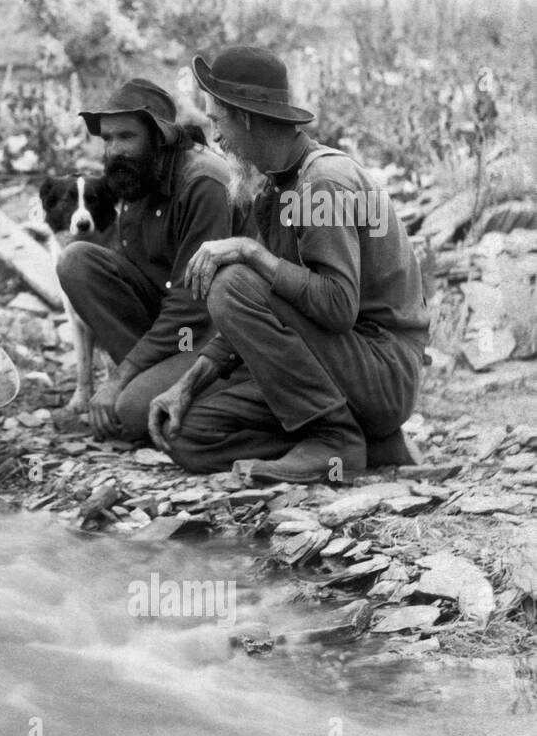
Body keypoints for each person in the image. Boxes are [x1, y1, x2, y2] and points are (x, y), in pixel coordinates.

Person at [148, 46, 430, 483]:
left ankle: (334, 439)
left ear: (244, 117)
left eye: (217, 121)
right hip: (339, 370)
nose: (215, 137)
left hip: (381, 370)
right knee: (189, 436)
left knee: (231, 283)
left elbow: (337, 308)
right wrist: (186, 387)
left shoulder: (322, 183)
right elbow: (264, 309)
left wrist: (251, 252)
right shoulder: (280, 188)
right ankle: (368, 443)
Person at [56, 78, 240, 439]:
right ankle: (149, 382)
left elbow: (191, 308)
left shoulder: (203, 183)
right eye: (107, 139)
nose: (113, 151)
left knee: (132, 412)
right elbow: (130, 277)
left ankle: (207, 393)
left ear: (160, 138)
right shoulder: (137, 178)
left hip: (211, 339)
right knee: (76, 261)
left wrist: (120, 378)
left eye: (126, 137)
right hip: (168, 330)